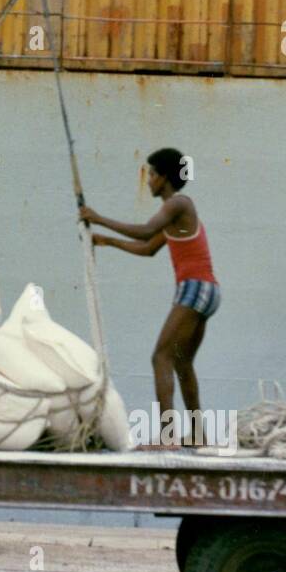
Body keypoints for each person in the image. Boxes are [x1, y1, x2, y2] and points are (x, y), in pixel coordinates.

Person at [79, 148, 219, 446]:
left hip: (194, 287)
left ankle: (168, 437)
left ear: (165, 177)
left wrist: (98, 218)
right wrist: (107, 242)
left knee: (160, 357)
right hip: (206, 290)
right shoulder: (175, 214)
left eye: (152, 174)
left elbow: (144, 232)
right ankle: (197, 434)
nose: (148, 181)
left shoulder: (177, 204)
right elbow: (148, 248)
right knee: (182, 363)